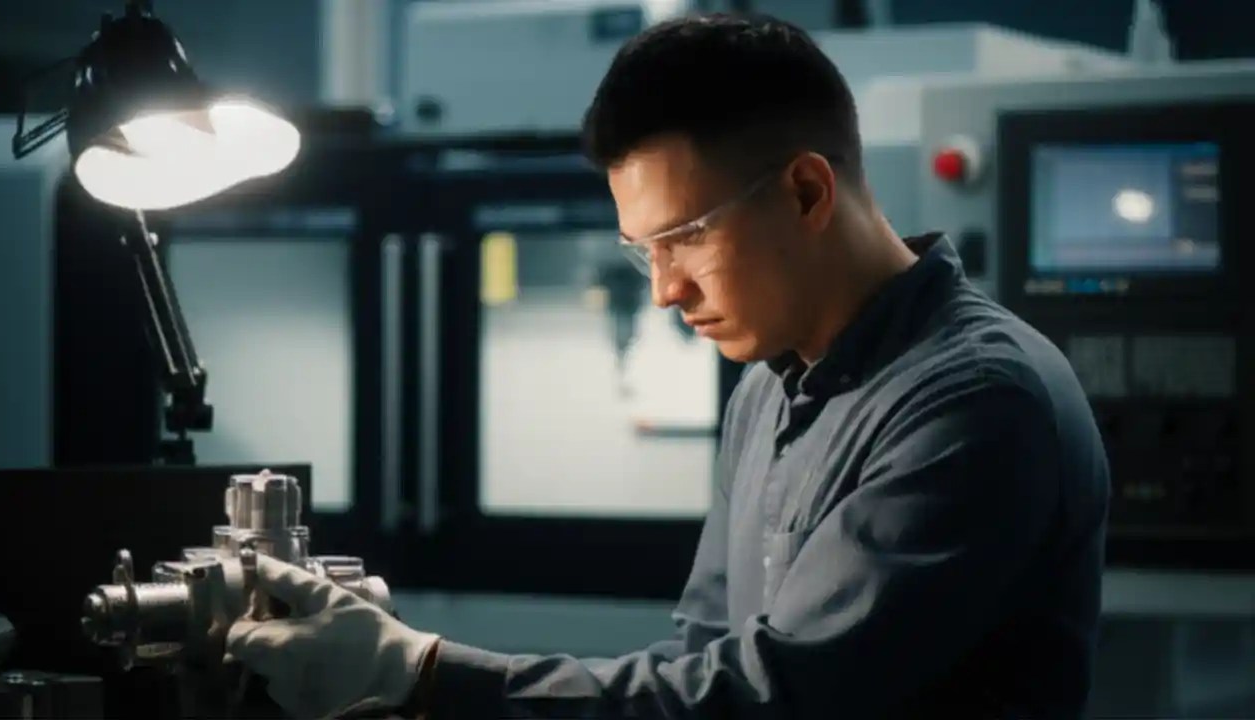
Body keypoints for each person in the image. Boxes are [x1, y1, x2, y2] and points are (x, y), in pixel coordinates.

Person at [226, 13, 1111, 719]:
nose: (664, 291)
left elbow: (777, 697)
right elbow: (699, 663)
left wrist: (421, 672)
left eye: (686, 237)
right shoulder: (767, 390)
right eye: (639, 250)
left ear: (808, 190)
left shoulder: (977, 402)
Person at [595, 258, 648, 394]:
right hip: (625, 310)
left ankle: (622, 360)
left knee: (624, 335)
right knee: (625, 335)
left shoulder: (616, 273)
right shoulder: (633, 272)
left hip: (623, 310)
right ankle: (622, 360)